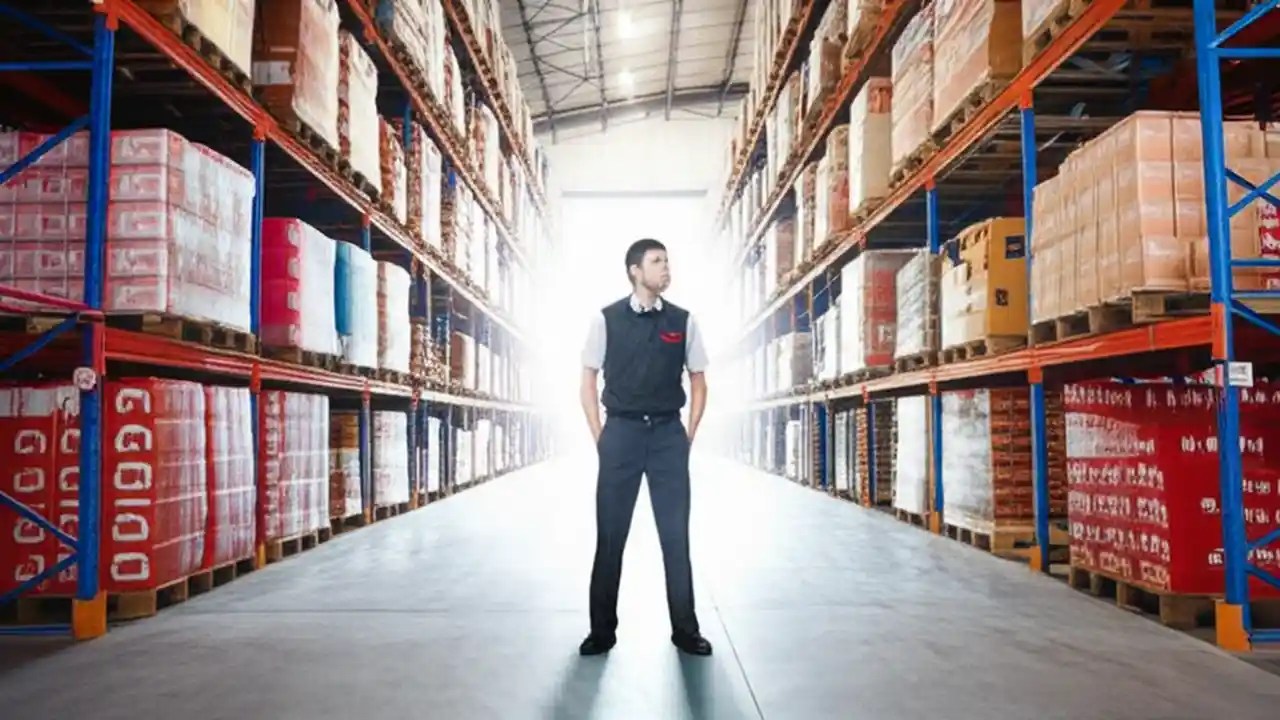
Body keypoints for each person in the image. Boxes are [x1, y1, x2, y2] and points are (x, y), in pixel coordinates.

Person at [577, 238, 712, 657]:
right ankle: (601, 631)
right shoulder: (605, 320)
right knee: (610, 535)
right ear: (635, 271)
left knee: (675, 536)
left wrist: (687, 435)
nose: (665, 267)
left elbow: (699, 380)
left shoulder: (683, 321)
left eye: (667, 260)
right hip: (621, 434)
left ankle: (685, 630)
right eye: (657, 261)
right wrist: (601, 437)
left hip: (668, 436)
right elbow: (587, 380)